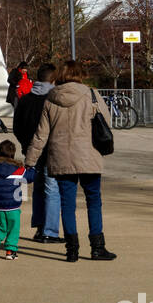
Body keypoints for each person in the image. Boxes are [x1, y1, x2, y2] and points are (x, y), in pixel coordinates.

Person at [25, 60, 116, 262]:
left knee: (67, 204)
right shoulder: (91, 94)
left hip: (61, 158)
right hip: (88, 156)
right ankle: (97, 247)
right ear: (80, 74)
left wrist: (30, 161)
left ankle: (71, 249)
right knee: (93, 200)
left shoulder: (51, 98)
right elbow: (106, 121)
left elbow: (41, 134)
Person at [13, 63, 60, 244]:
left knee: (39, 189)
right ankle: (50, 231)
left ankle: (40, 227)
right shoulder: (54, 100)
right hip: (51, 151)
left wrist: (27, 144)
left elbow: (17, 127)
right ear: (53, 79)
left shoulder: (25, 100)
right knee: (52, 190)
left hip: (30, 151)